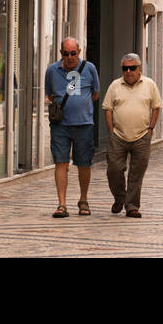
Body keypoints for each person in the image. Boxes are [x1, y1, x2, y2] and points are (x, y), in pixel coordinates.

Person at [44, 37, 101, 217]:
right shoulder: (52, 71)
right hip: (60, 124)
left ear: (79, 52)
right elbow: (50, 95)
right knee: (60, 162)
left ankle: (83, 199)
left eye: (73, 53)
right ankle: (62, 204)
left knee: (84, 163)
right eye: (66, 54)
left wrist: (80, 105)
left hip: (84, 124)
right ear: (61, 53)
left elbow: (95, 94)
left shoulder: (89, 68)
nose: (70, 57)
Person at [102, 54, 162, 217]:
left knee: (137, 172)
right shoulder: (115, 85)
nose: (128, 71)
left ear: (139, 68)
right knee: (114, 170)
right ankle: (120, 198)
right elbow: (107, 108)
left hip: (142, 136)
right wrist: (111, 130)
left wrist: (150, 129)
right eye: (125, 68)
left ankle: (132, 206)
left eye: (132, 68)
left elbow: (156, 106)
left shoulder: (149, 84)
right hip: (118, 136)